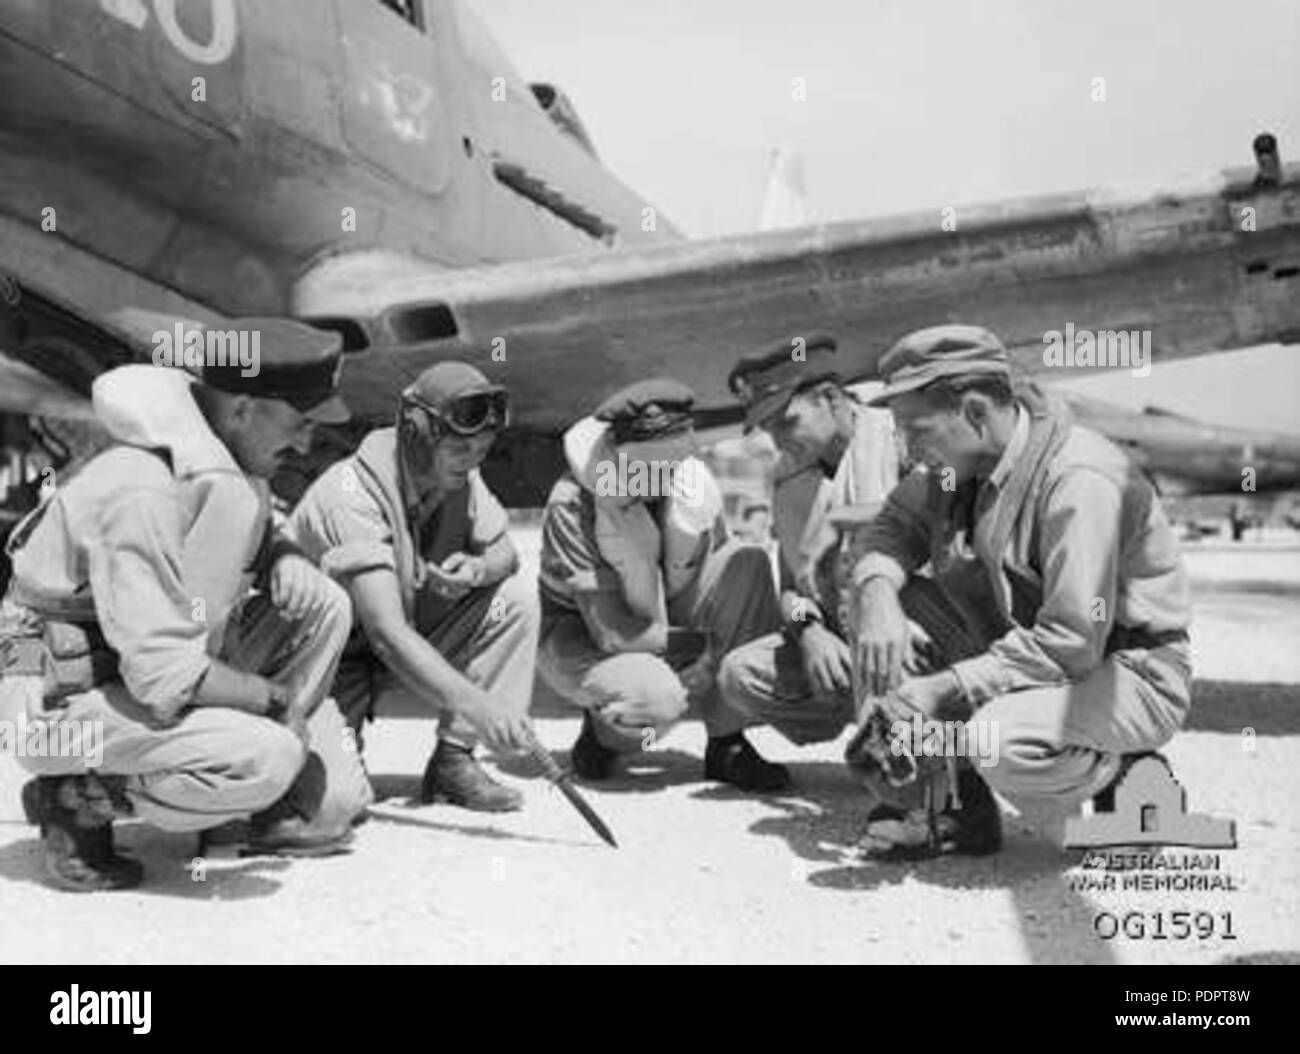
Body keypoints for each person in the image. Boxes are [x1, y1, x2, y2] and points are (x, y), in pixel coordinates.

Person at [0, 318, 357, 891]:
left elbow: (243, 526)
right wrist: (271, 700)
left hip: (136, 672)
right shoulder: (141, 487)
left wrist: (283, 554)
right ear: (242, 408)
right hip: (52, 712)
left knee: (337, 785)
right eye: (299, 423)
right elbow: (163, 679)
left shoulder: (223, 454)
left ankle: (215, 783)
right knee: (266, 758)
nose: (307, 443)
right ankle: (76, 793)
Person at [850, 324, 1192, 858]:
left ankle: (1125, 772)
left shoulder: (1078, 479)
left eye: (917, 430)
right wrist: (875, 596)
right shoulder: (956, 469)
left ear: (976, 412)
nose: (910, 450)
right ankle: (953, 808)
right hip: (1030, 655)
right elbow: (890, 527)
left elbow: (1072, 642)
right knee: (892, 601)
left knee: (999, 739)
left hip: (1126, 668)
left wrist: (943, 687)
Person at [289, 361, 537, 812]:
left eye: (483, 449)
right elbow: (386, 634)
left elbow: (507, 554)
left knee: (512, 602)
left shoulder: (459, 473)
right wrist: (482, 708)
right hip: (324, 663)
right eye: (461, 450)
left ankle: (453, 761)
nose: (474, 460)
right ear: (417, 433)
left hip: (393, 646)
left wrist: (477, 570)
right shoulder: (351, 495)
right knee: (333, 808)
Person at [537, 378, 789, 791]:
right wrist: (697, 649)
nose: (663, 476)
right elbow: (610, 629)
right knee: (658, 699)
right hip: (584, 635)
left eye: (671, 465)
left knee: (746, 564)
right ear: (620, 455)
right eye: (649, 467)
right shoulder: (572, 502)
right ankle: (603, 733)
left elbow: (714, 573)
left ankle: (727, 743)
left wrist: (711, 642)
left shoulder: (685, 478)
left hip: (662, 611)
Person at [715, 334, 902, 754]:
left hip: (915, 632)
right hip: (849, 642)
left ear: (831, 399)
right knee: (741, 673)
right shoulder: (790, 482)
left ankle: (918, 752)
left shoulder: (899, 436)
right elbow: (792, 593)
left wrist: (843, 518)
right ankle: (880, 727)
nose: (777, 440)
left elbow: (941, 500)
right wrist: (811, 630)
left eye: (786, 421)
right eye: (766, 428)